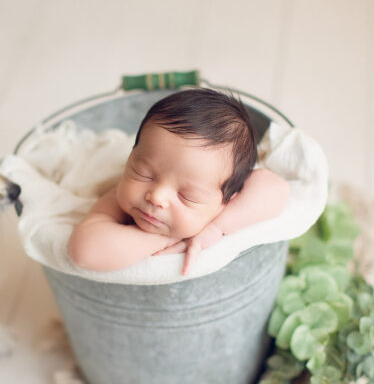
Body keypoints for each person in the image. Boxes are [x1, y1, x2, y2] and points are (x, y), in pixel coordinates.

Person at [67, 88, 290, 275]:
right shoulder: (120, 202)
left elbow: (276, 187)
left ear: (227, 200)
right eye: (143, 173)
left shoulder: (223, 211)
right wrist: (168, 240)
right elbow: (84, 252)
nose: (156, 197)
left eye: (186, 196)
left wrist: (216, 228)